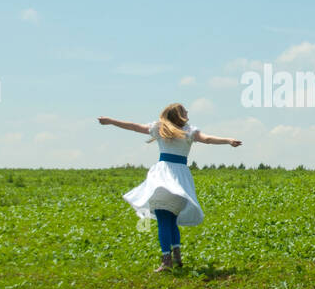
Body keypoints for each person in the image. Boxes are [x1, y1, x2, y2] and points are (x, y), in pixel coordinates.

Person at [98, 103, 242, 272]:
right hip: (180, 179)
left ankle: (167, 261)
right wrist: (228, 141)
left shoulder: (160, 128)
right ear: (178, 115)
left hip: (163, 177)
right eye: (184, 111)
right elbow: (208, 139)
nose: (187, 112)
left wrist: (110, 121)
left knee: (162, 219)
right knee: (171, 219)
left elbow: (134, 127)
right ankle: (177, 256)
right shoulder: (188, 131)